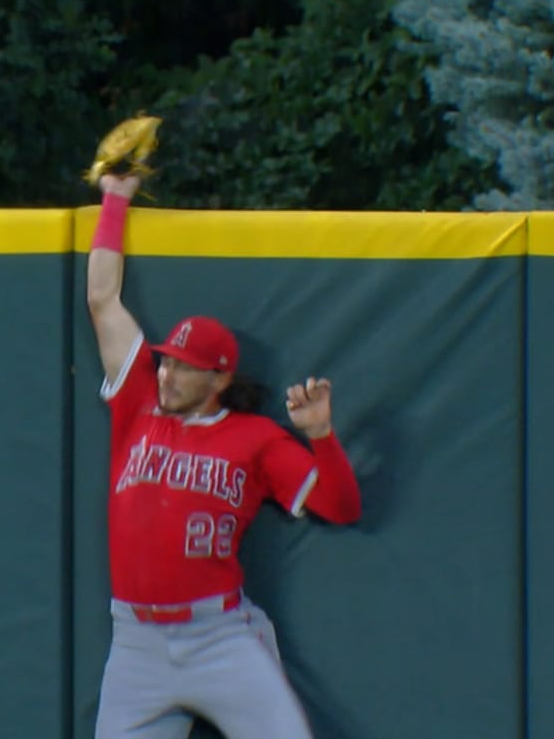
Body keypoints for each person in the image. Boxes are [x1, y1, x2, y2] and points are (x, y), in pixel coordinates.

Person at [86, 172, 362, 739]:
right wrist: (115, 199)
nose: (166, 371)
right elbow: (101, 298)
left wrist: (321, 435)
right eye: (166, 360)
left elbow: (340, 507)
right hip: (134, 645)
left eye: (184, 365)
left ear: (219, 377)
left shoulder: (254, 437)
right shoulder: (139, 404)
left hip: (218, 639)